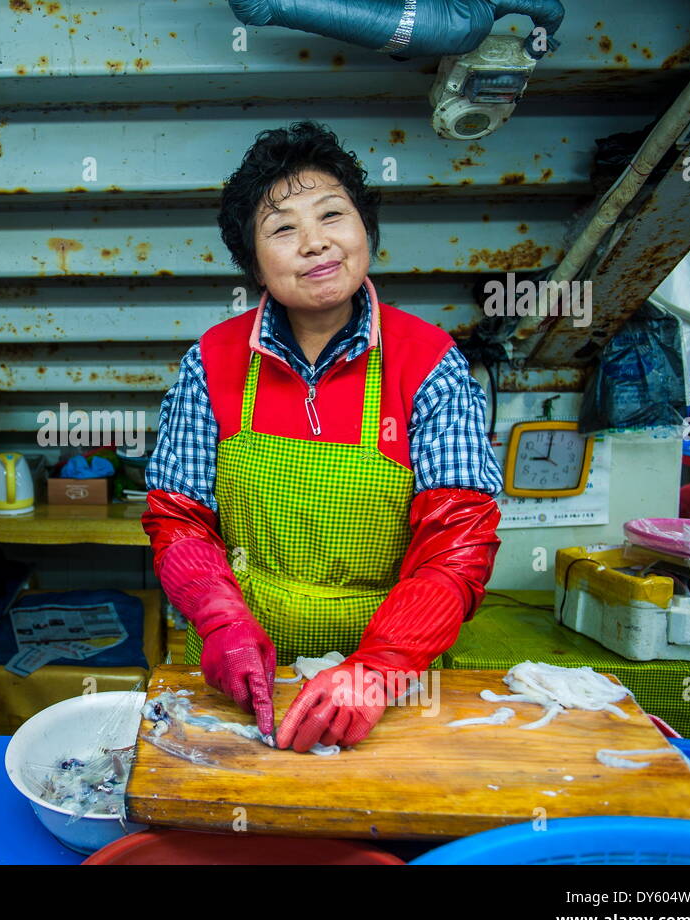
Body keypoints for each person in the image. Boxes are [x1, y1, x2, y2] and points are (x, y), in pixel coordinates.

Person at [143, 121, 503, 753]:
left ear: (365, 228)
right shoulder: (212, 360)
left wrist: (380, 669)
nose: (314, 243)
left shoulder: (429, 362)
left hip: (388, 679)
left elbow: (458, 541)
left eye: (332, 214)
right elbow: (180, 520)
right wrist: (220, 620)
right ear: (252, 263)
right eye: (282, 228)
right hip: (242, 672)